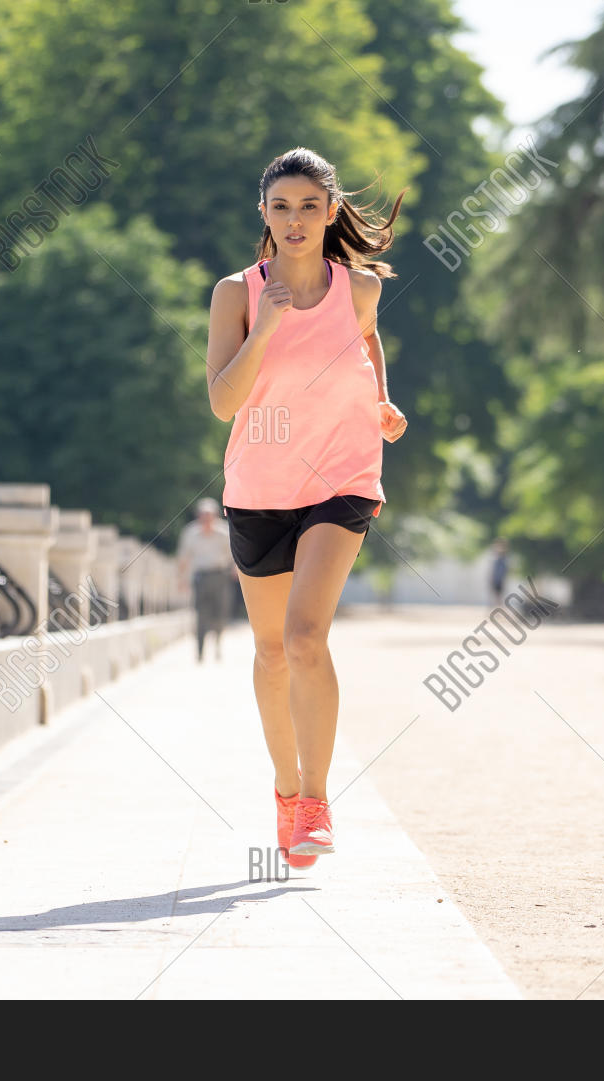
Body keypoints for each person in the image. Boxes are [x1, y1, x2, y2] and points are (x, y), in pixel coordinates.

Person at [204, 147, 408, 868]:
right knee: (268, 652)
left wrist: (381, 401)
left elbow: (368, 342)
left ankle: (317, 801)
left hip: (343, 477)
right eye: (281, 207)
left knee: (303, 639)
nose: (295, 220)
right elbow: (224, 403)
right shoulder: (237, 292)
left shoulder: (358, 288)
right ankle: (287, 790)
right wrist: (264, 328)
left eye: (309, 207)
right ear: (263, 212)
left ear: (330, 212)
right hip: (259, 486)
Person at [176, 497, 236, 663]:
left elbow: (233, 554)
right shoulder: (190, 533)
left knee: (220, 613)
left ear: (216, 515)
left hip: (220, 576)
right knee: (201, 615)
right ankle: (200, 650)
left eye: (209, 515)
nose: (206, 519)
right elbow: (184, 558)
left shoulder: (224, 532)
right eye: (203, 515)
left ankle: (217, 644)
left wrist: (236, 570)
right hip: (200, 577)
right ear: (198, 516)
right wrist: (182, 579)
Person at [489, 538, 509, 606]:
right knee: (495, 595)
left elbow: (504, 569)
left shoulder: (504, 558)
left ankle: (499, 607)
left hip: (500, 579)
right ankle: (496, 607)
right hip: (496, 578)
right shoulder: (496, 557)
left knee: (499, 595)